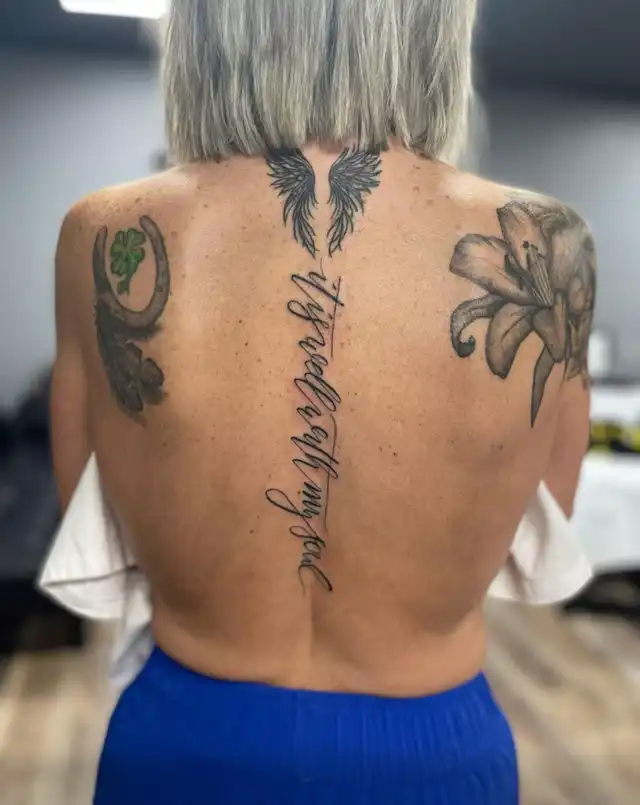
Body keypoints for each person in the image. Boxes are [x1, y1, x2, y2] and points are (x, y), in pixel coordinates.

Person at [49, 1, 596, 803]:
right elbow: (543, 515)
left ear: (205, 27)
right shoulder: (550, 245)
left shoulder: (102, 233)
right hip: (433, 754)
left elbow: (94, 515)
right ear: (433, 25)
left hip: (185, 740)